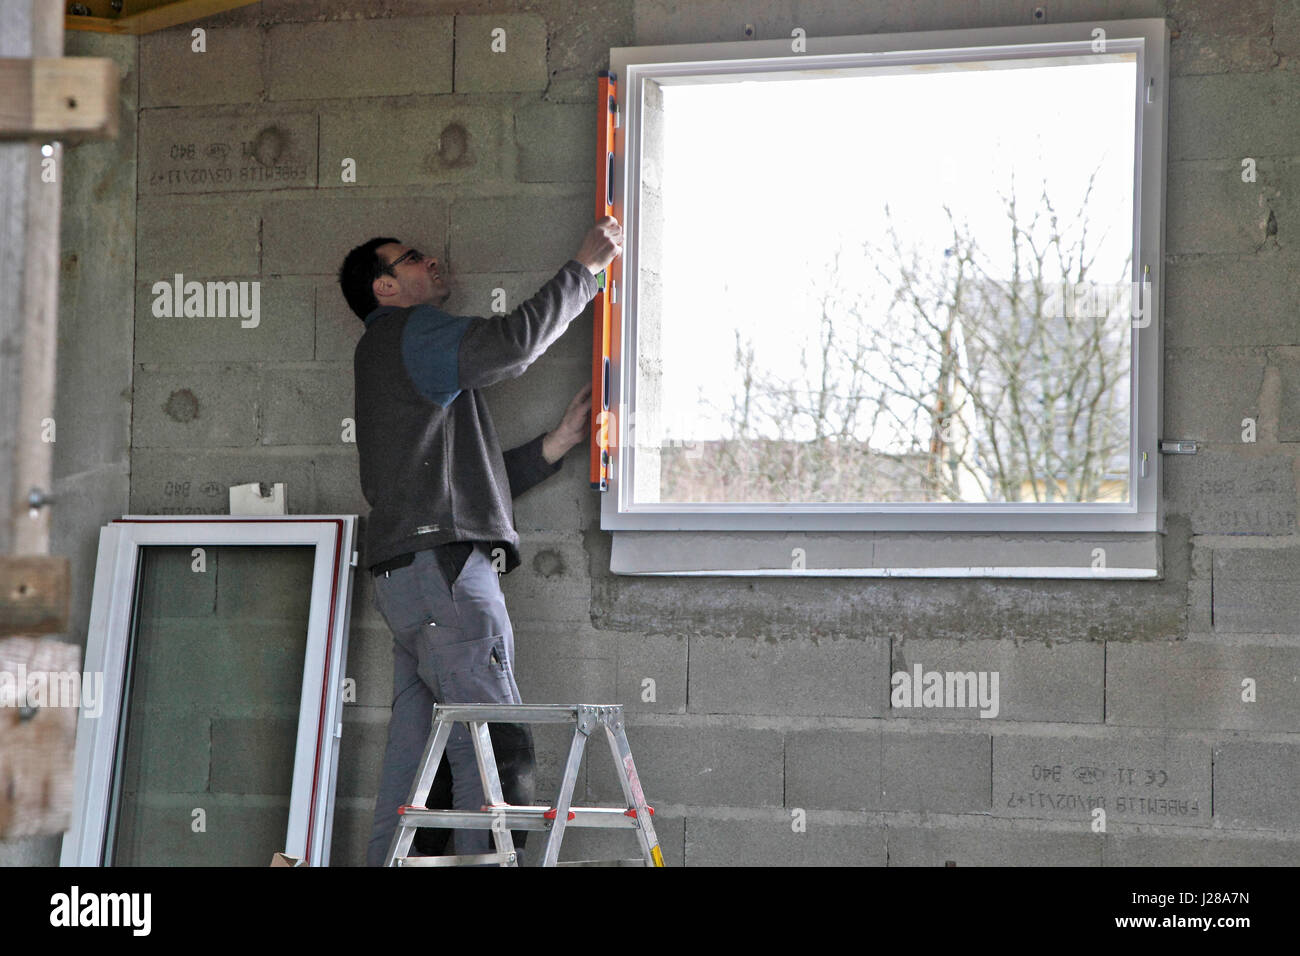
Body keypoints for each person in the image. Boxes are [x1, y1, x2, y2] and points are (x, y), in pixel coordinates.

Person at [337, 215, 623, 866]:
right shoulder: (412, 332)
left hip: (409, 583)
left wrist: (555, 444)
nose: (430, 261)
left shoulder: (384, 356)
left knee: (418, 775)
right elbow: (512, 346)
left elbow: (458, 486)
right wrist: (586, 268)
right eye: (410, 259)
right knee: (495, 753)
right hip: (446, 581)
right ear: (384, 289)